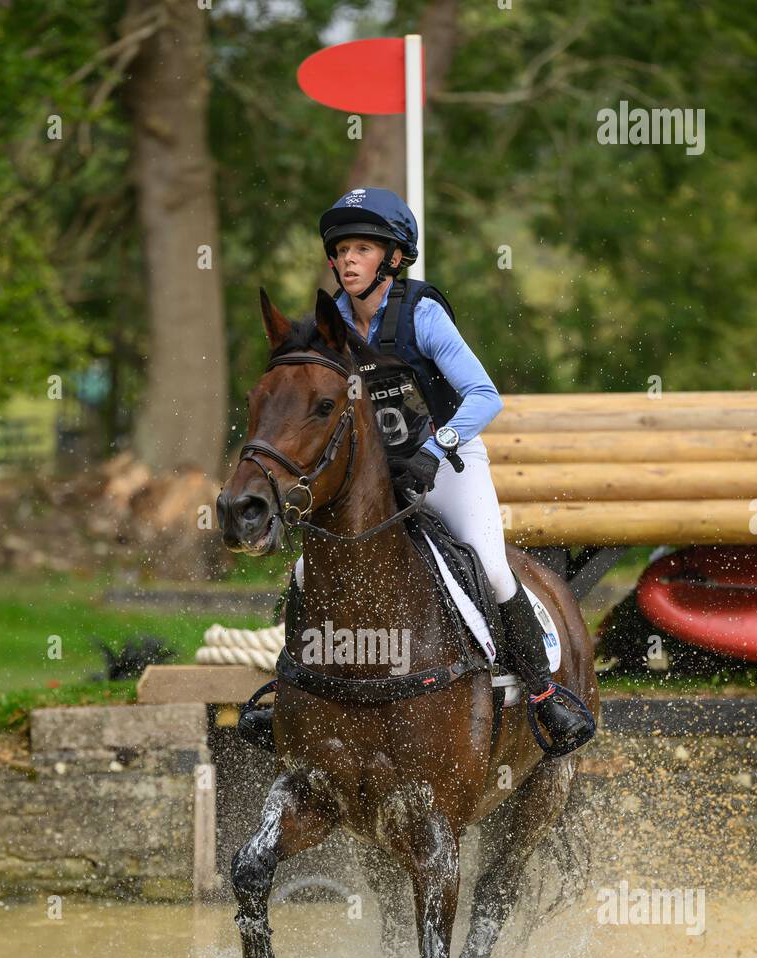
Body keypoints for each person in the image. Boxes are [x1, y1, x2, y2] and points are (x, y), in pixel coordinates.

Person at [244, 187, 593, 757]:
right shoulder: (327, 329)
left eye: (362, 248)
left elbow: (483, 396)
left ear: (393, 257)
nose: (349, 260)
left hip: (447, 461)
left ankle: (541, 694)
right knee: (308, 572)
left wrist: (438, 447)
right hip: (376, 478)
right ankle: (290, 692)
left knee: (489, 563)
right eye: (342, 250)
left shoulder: (421, 314)